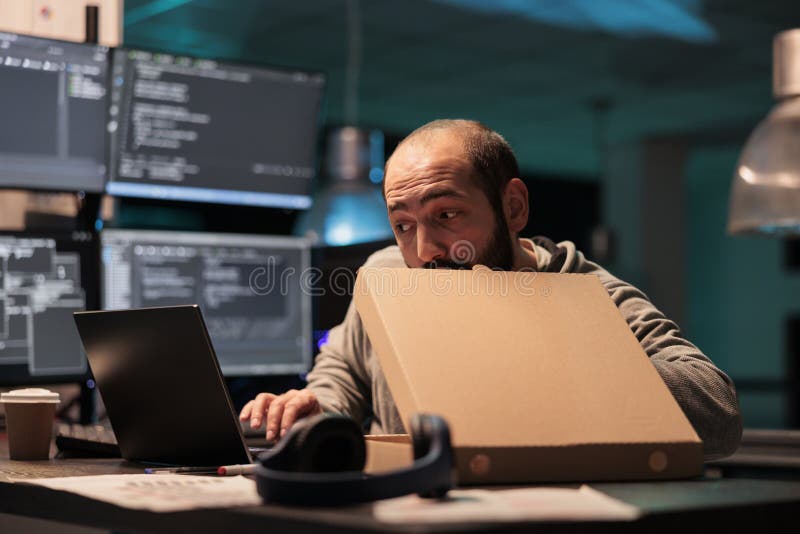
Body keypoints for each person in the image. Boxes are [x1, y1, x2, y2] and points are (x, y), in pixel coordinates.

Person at [240, 119, 742, 460]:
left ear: (513, 207)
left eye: (447, 214)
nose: (425, 250)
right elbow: (341, 376)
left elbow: (718, 415)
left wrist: (553, 353)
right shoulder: (386, 274)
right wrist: (316, 408)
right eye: (403, 225)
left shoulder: (584, 289)